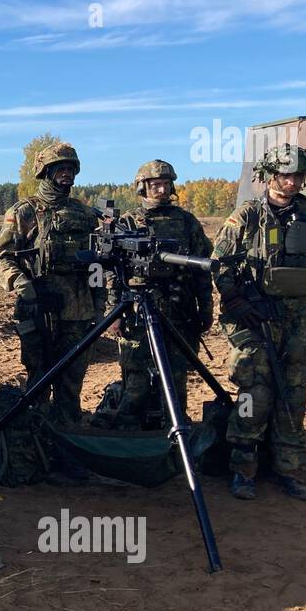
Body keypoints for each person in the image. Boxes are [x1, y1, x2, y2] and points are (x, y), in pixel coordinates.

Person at [211, 144, 306, 501]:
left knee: (294, 393)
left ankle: (289, 469)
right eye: (286, 175)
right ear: (271, 176)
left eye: (298, 176)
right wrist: (235, 300)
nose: (293, 182)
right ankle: (243, 470)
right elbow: (219, 264)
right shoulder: (247, 216)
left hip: (296, 318)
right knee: (255, 393)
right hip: (255, 317)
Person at [0, 142, 102, 426]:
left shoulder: (87, 215)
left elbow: (99, 266)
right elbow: (0, 261)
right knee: (38, 383)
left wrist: (101, 306)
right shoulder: (24, 212)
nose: (66, 173)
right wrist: (20, 282)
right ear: (45, 171)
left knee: (71, 385)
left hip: (78, 314)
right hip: (38, 311)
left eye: (70, 168)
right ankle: (35, 449)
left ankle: (68, 449)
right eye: (59, 168)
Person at [112, 160, 214, 427]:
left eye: (166, 184)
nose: (161, 190)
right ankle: (127, 431)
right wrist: (114, 313)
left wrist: (205, 309)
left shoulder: (187, 222)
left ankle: (174, 428)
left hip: (179, 309)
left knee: (177, 375)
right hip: (138, 312)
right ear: (142, 188)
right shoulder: (128, 222)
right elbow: (112, 273)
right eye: (155, 185)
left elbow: (202, 269)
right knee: (137, 377)